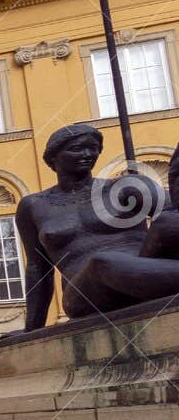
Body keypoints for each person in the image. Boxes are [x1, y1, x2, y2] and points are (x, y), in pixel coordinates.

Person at [15, 124, 176, 330]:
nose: (87, 154)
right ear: (53, 157)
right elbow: (38, 268)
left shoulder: (127, 186)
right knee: (103, 263)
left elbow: (173, 219)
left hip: (146, 268)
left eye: (93, 148)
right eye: (76, 149)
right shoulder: (33, 206)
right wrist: (31, 329)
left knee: (168, 221)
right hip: (85, 292)